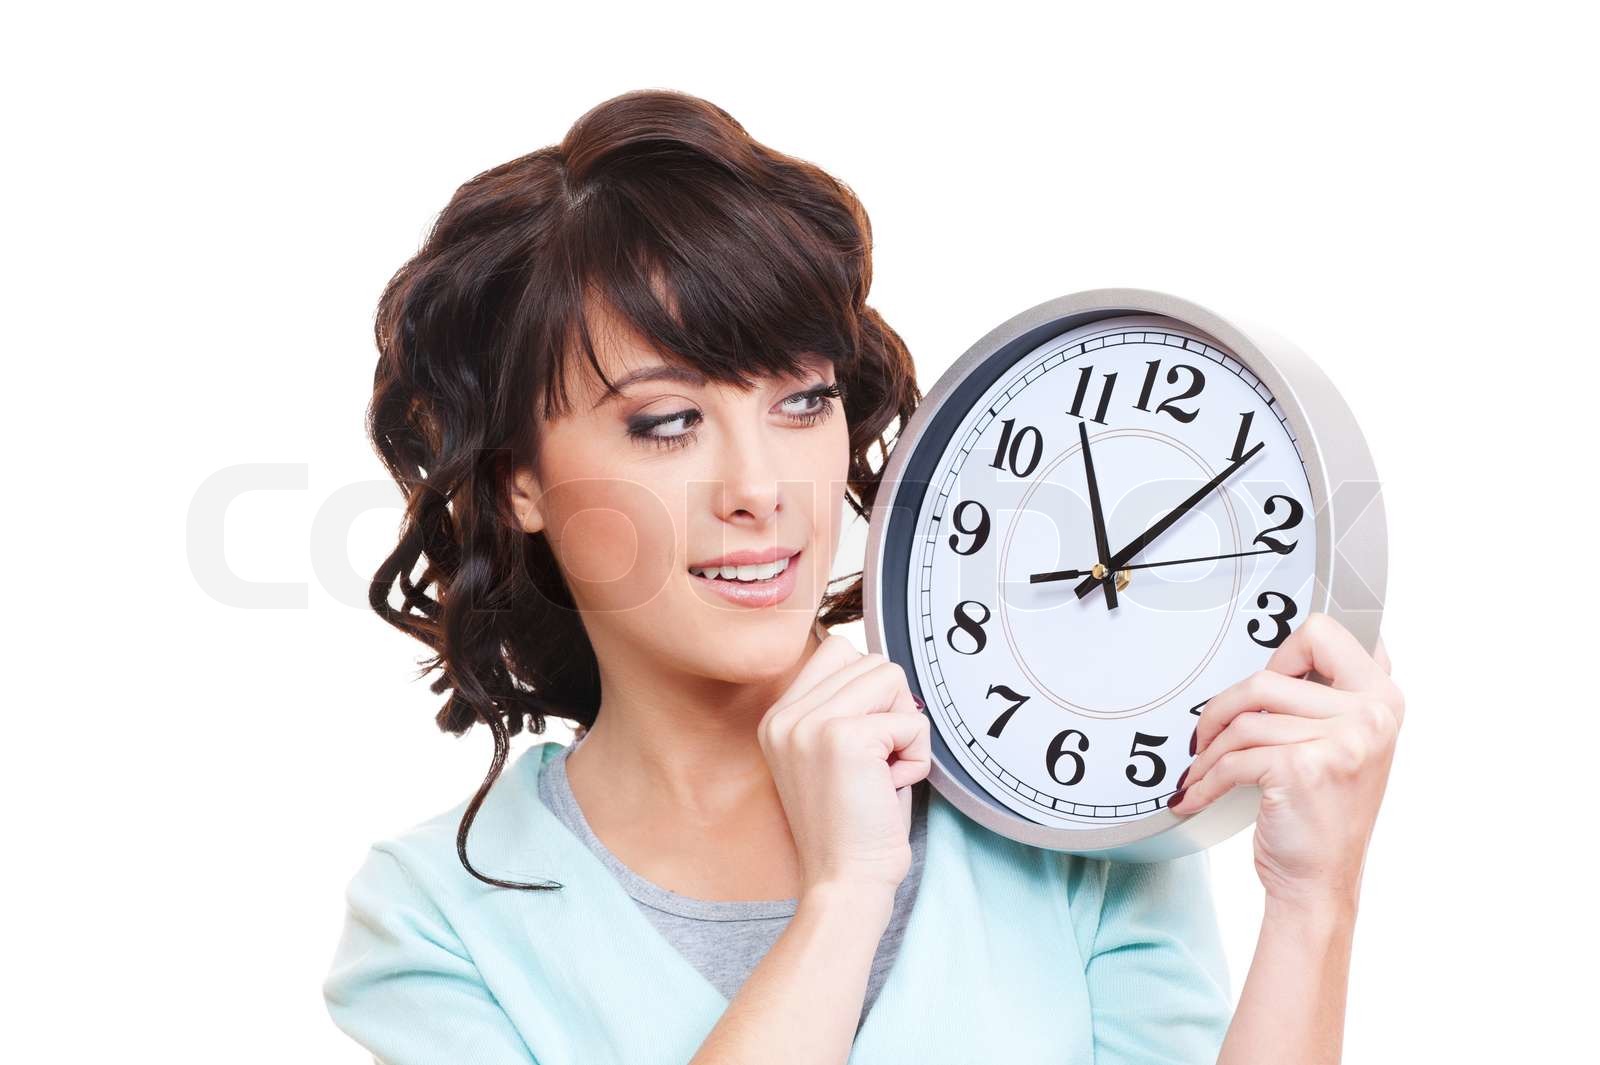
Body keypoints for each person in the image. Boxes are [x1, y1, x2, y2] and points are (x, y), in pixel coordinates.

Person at [321, 88, 1405, 1065]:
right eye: (667, 422)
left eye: (801, 400)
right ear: (518, 481)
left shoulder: (1060, 815)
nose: (762, 488)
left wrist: (1314, 902)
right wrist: (843, 900)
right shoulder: (438, 922)